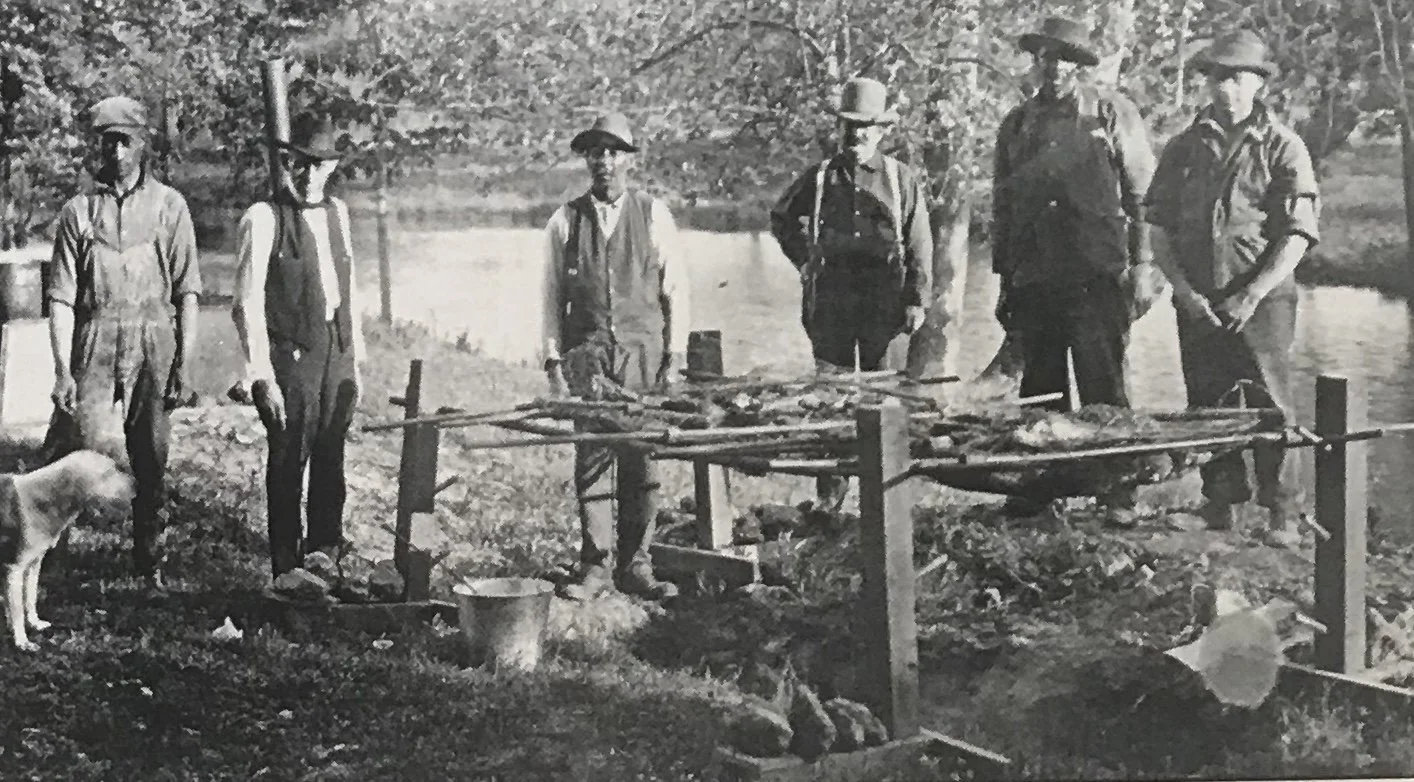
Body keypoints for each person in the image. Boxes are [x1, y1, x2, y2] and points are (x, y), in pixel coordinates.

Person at [1145, 31, 1317, 547]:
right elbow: (1158, 228)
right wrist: (1183, 291)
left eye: (1238, 77)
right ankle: (1218, 503)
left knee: (1271, 406)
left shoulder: (1283, 145)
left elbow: (1298, 234)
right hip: (1199, 303)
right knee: (1207, 403)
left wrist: (1253, 293)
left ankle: (1283, 515)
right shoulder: (1184, 146)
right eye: (1217, 77)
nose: (1226, 88)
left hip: (1261, 303)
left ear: (1257, 83)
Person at [991, 16, 1162, 522]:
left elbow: (1142, 197)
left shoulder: (1111, 113)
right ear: (1036, 61)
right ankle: (1041, 490)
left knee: (1103, 387)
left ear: (1081, 66)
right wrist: (1005, 280)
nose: (1055, 67)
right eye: (1047, 56)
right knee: (1041, 391)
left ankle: (1117, 492)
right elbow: (1004, 208)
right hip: (1036, 277)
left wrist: (1144, 265)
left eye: (1067, 58)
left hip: (1096, 276)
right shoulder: (1017, 125)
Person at [44, 95, 202, 589]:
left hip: (154, 336)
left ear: (142, 146)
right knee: (73, 449)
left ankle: (147, 560)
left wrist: (185, 365)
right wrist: (62, 369)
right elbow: (61, 299)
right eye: (106, 141)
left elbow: (189, 291)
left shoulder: (170, 207)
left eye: (123, 141)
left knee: (151, 454)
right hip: (94, 336)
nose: (114, 152)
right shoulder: (78, 211)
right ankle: (48, 555)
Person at [540, 112, 689, 602]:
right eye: (595, 152)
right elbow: (549, 296)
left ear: (628, 159)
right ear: (586, 159)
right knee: (593, 460)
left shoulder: (653, 214)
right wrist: (552, 358)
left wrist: (675, 353)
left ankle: (637, 565)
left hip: (642, 354)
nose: (604, 162)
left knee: (641, 460)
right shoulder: (566, 220)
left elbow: (676, 291)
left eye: (613, 152)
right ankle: (596, 566)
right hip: (589, 357)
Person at [770, 76, 933, 507]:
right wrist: (804, 261)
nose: (857, 134)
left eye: (866, 126)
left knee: (886, 402)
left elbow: (919, 243)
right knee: (831, 404)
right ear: (839, 130)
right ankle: (830, 500)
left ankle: (887, 503)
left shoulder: (900, 180)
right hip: (833, 307)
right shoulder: (821, 177)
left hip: (885, 306)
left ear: (882, 131)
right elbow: (782, 218)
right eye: (849, 126)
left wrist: (918, 298)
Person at [231, 112, 365, 579]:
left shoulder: (338, 214)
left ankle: (324, 557)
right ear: (288, 163)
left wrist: (355, 364)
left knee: (332, 459)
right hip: (292, 358)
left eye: (320, 164)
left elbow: (349, 290)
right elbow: (246, 304)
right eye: (300, 164)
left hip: (336, 353)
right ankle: (287, 569)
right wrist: (259, 375)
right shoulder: (264, 218)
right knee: (289, 462)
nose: (309, 174)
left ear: (332, 168)